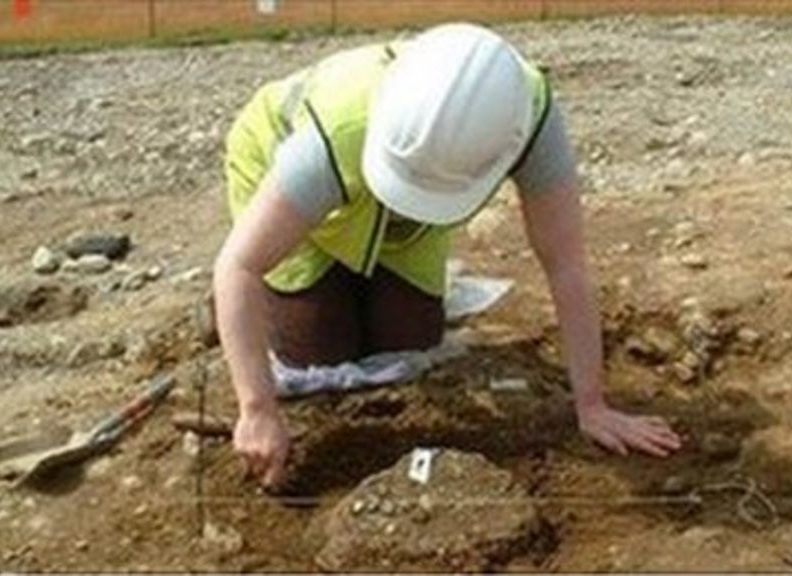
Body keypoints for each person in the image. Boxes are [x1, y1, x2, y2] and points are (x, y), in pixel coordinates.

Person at [213, 23, 682, 488]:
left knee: (407, 338)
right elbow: (239, 265)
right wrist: (256, 409)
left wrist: (592, 404)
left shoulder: (530, 116)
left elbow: (567, 263)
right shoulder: (337, 130)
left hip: (407, 225)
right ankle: (281, 297)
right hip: (298, 184)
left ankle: (364, 280)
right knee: (322, 346)